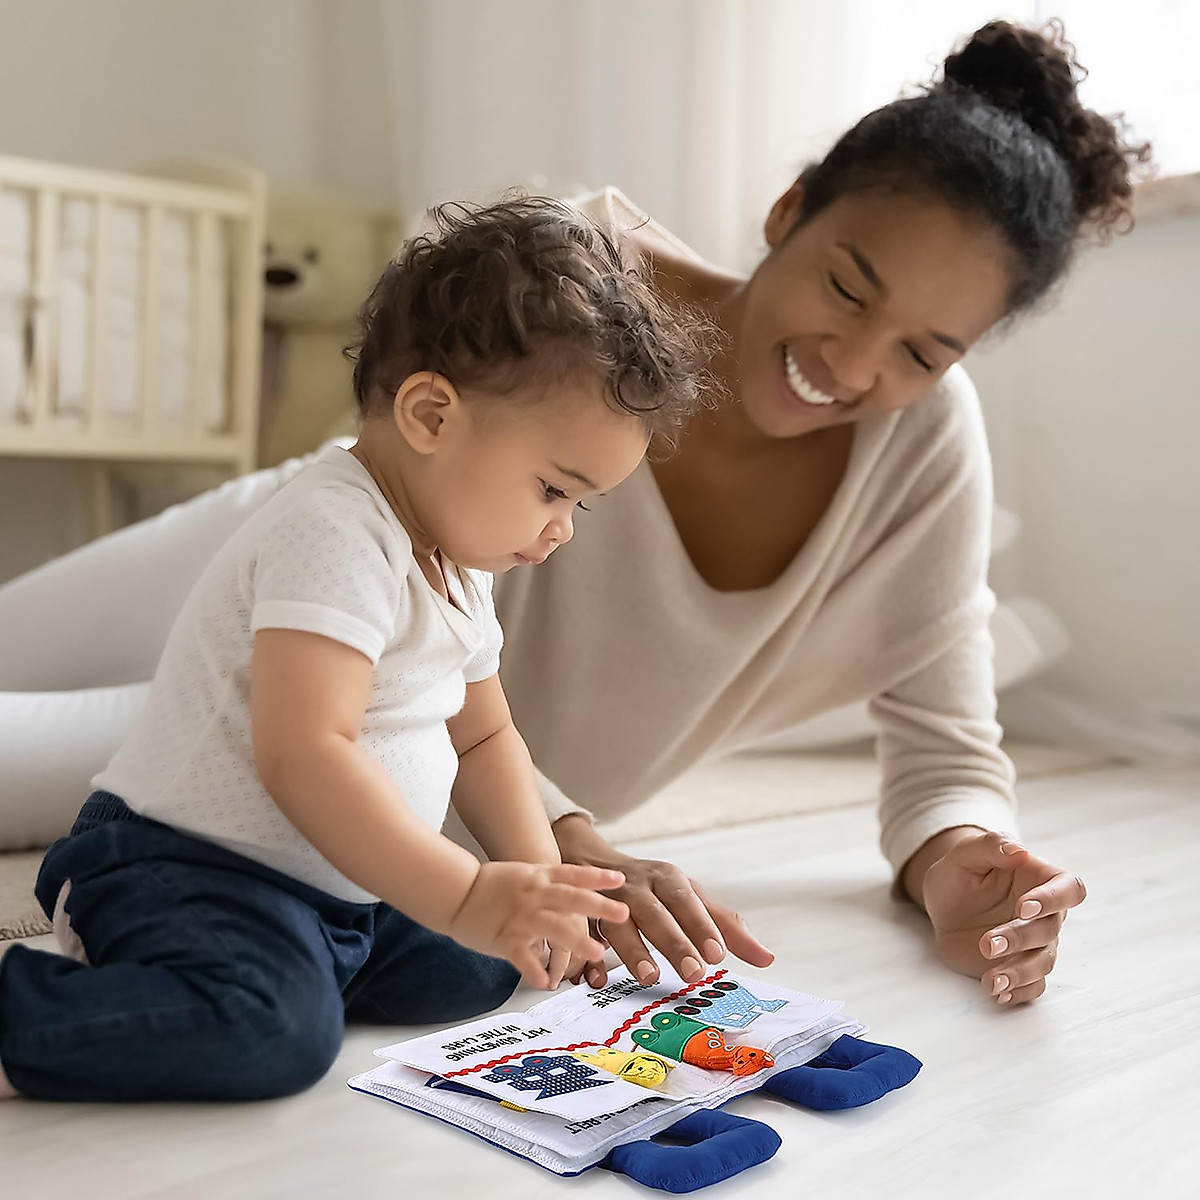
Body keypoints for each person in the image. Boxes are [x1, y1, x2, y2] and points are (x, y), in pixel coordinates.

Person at [0, 22, 1150, 1020]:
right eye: (848, 288)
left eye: (924, 351)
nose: (852, 363)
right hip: (307, 584)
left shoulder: (924, 451)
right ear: (787, 211)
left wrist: (963, 864)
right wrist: (561, 844)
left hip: (391, 758)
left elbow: (945, 739)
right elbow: (413, 494)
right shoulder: (571, 289)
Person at [0, 196, 711, 1102]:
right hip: (179, 865)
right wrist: (462, 895)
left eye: (580, 504)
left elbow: (487, 740)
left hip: (329, 891)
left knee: (484, 965)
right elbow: (304, 751)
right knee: (273, 1031)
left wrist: (541, 890)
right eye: (552, 489)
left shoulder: (458, 564)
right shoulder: (334, 529)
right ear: (429, 414)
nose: (563, 529)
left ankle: (320, 960)